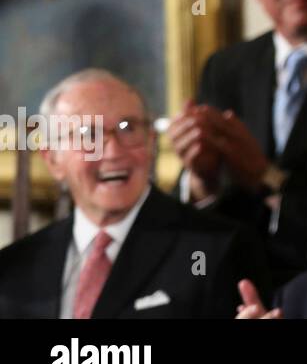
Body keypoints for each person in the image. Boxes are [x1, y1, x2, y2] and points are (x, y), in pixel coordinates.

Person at [0, 70, 269, 318]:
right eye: (88, 134)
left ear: (152, 142)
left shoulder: (216, 250)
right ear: (53, 159)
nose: (114, 152)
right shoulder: (13, 267)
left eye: (128, 129)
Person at [167, 0, 307, 288]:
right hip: (238, 291)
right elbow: (198, 221)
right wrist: (203, 180)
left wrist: (265, 178)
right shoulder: (226, 68)